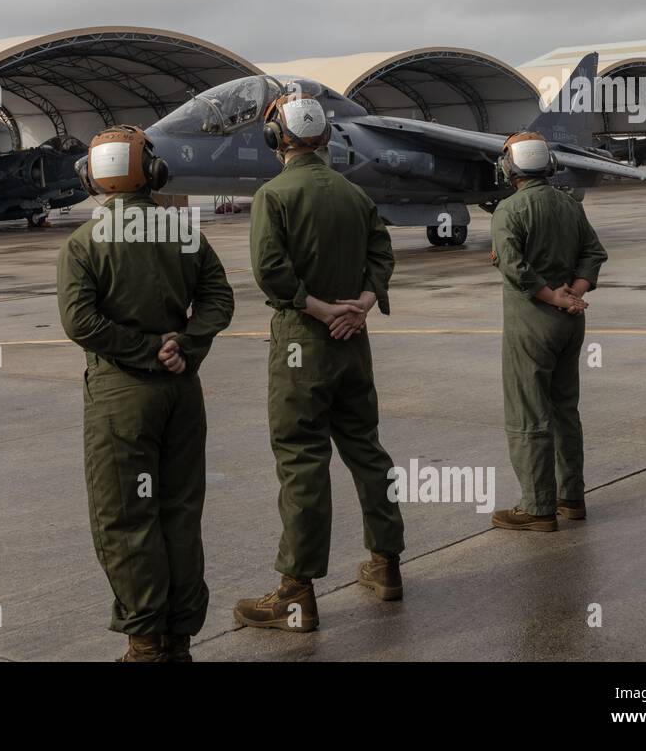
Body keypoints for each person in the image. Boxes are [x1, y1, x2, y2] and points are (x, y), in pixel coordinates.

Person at [57, 125, 234, 662]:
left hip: (121, 395)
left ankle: (145, 643)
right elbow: (218, 298)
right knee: (180, 512)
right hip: (182, 391)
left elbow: (80, 322)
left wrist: (141, 349)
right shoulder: (183, 231)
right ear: (151, 172)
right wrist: (183, 343)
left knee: (127, 516)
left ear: (94, 177)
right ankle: (179, 639)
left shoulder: (83, 243)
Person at [233, 93, 404, 634]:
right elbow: (383, 255)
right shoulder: (355, 194)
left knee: (302, 461)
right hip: (353, 342)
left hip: (301, 342)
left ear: (276, 139)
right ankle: (386, 565)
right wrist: (361, 305)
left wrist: (321, 307)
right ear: (325, 137)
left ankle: (296, 594)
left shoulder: (273, 195)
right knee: (368, 451)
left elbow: (271, 272)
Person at [488, 131, 607, 531]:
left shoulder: (508, 209)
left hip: (532, 323)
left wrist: (552, 297)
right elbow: (593, 252)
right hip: (571, 323)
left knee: (529, 413)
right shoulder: (569, 204)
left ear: (510, 167)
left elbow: (514, 266)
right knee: (564, 410)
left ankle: (537, 508)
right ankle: (571, 497)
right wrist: (575, 291)